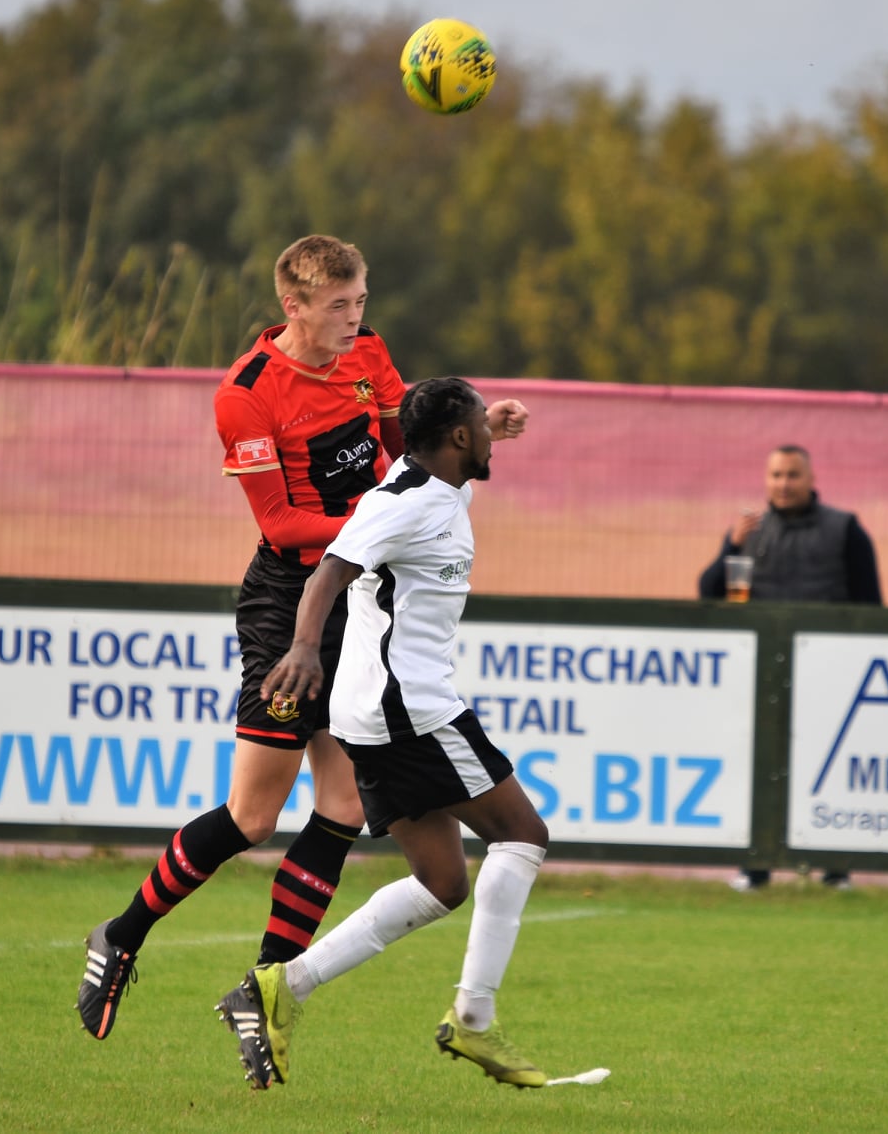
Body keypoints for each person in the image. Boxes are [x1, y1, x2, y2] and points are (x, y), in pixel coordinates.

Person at [75, 237, 528, 1040]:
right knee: (253, 816)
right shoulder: (246, 394)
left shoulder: (370, 356)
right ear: (294, 305)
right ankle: (120, 935)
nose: (355, 320)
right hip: (291, 601)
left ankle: (264, 992)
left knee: (344, 804)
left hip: (356, 589)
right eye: (338, 307)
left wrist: (472, 435)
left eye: (360, 303)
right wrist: (381, 531)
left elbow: (403, 457)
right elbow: (281, 523)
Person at [213, 378, 551, 1091]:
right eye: (478, 430)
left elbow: (449, 460)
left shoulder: (436, 479)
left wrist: (485, 421)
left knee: (441, 882)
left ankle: (279, 988)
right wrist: (303, 648)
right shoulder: (401, 501)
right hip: (411, 712)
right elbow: (328, 571)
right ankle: (474, 1021)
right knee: (522, 835)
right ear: (457, 441)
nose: (488, 440)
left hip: (379, 712)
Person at [699, 444, 882, 893]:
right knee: (758, 770)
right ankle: (755, 866)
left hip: (831, 674)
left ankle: (835, 866)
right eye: (776, 475)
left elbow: (871, 605)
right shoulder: (749, 531)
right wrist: (731, 544)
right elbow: (708, 592)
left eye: (792, 475)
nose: (783, 484)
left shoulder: (845, 529)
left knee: (829, 768)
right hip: (763, 678)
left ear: (811, 478)